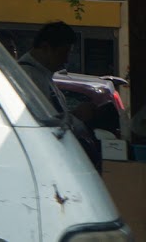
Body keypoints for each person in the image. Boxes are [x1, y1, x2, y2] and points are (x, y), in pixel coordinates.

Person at [18, 21, 102, 169]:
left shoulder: (44, 77)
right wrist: (76, 116)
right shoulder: (28, 77)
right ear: (45, 48)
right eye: (63, 53)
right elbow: (41, 122)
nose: (66, 60)